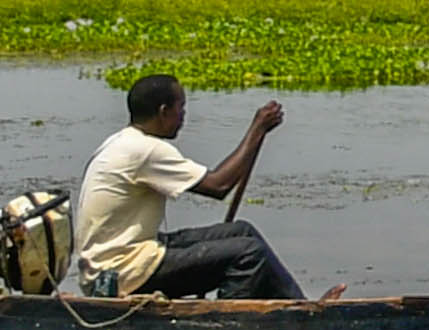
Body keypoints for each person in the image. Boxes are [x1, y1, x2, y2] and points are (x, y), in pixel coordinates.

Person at [71, 74, 306, 300]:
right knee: (249, 253)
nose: (183, 115)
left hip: (116, 261)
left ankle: (302, 307)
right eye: (181, 107)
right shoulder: (145, 150)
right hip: (121, 272)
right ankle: (227, 319)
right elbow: (219, 185)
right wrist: (257, 130)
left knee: (241, 231)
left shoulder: (121, 141)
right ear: (164, 111)